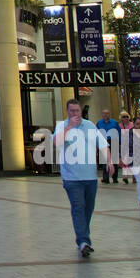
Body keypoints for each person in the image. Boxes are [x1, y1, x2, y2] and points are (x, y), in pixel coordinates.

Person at [54, 98, 114, 257]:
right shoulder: (62, 126)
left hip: (90, 177)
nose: (75, 114)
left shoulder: (89, 125)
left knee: (88, 208)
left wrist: (109, 161)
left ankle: (82, 237)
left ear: (81, 111)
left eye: (77, 111)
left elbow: (102, 145)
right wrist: (68, 127)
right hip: (71, 178)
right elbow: (56, 142)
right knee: (78, 207)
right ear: (67, 112)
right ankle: (83, 241)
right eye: (72, 111)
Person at [96, 108, 120, 184]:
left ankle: (114, 178)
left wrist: (119, 142)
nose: (105, 115)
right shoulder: (99, 123)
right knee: (104, 161)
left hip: (113, 141)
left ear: (109, 115)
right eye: (104, 113)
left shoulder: (115, 122)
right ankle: (105, 178)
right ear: (102, 115)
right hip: (103, 142)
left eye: (107, 113)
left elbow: (119, 132)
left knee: (114, 161)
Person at [117, 111, 136, 183]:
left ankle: (135, 177)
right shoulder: (119, 126)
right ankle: (125, 176)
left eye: (127, 116)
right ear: (121, 118)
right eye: (123, 117)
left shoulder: (132, 125)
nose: (125, 118)